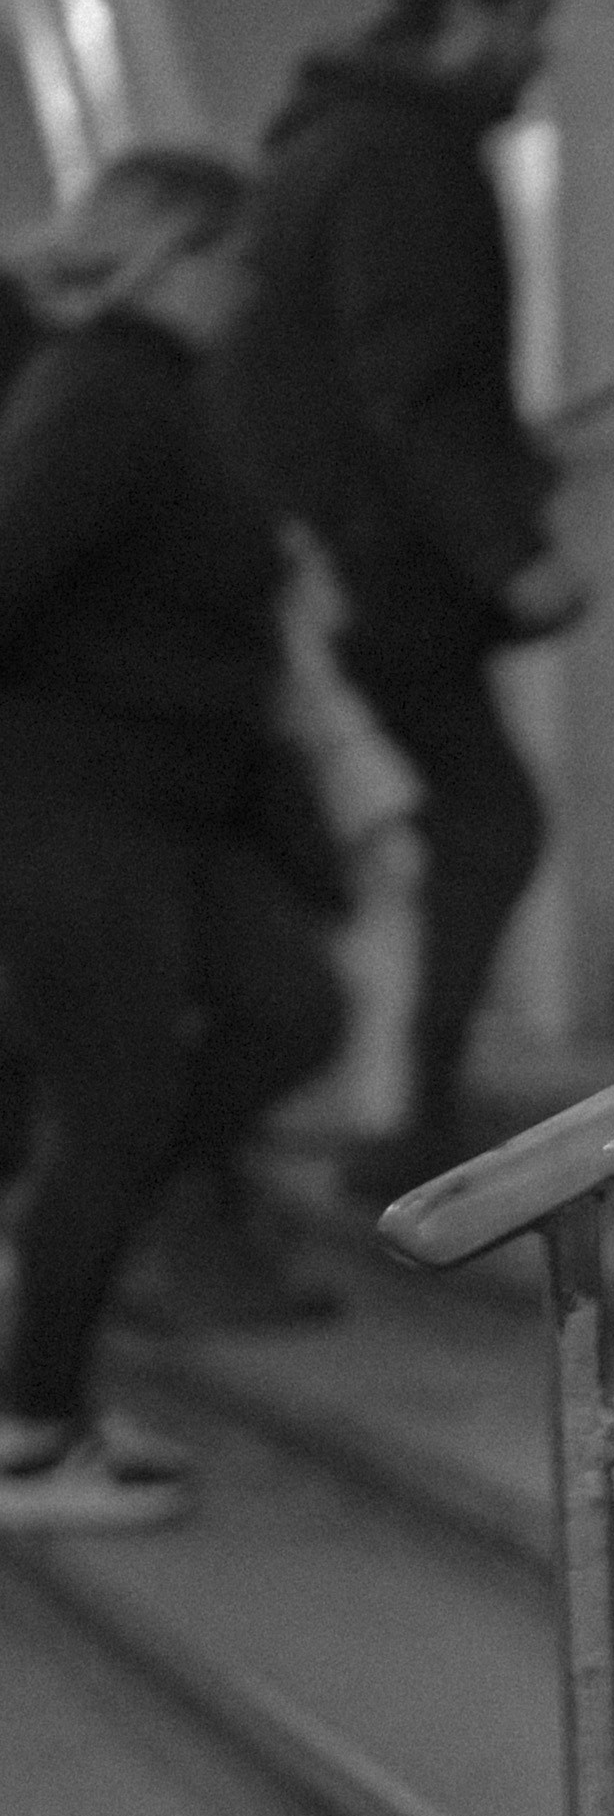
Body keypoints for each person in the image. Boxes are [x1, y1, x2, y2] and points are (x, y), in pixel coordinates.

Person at [0, 152, 345, 1533]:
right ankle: (31, 1431)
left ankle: (56, 1272)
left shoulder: (150, 393)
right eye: (233, 260)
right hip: (82, 810)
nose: (249, 286)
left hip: (172, 814)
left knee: (292, 1010)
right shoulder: (103, 395)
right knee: (118, 1112)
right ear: (167, 255)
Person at [226, 0, 576, 1211]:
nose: (538, 54)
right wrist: (512, 551)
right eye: (530, 22)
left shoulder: (320, 145)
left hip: (325, 563)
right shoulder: (405, 158)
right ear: (469, 13)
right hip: (386, 574)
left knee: (392, 841)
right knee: (484, 821)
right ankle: (411, 1111)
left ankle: (391, 1106)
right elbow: (414, 384)